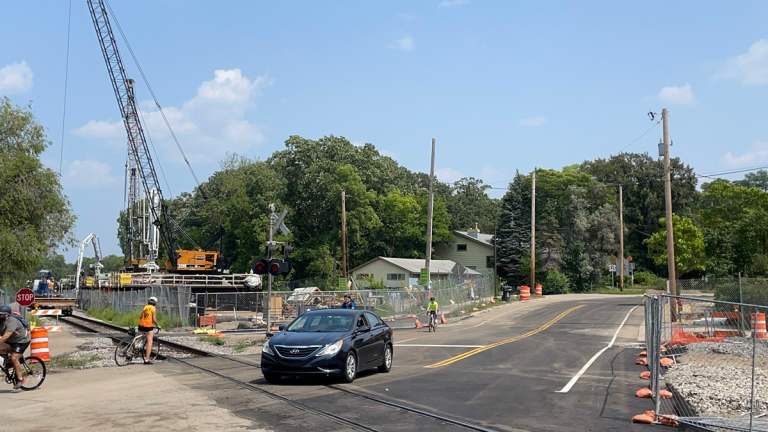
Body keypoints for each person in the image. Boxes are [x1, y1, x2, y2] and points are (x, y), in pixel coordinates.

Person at [0, 305, 31, 390]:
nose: (0, 316)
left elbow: (6, 336)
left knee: (14, 358)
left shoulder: (11, 321)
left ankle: (20, 380)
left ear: (6, 315)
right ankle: (9, 363)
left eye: (1, 314)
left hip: (22, 341)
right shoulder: (1, 321)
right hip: (12, 340)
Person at [138, 297, 159, 364]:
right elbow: (154, 319)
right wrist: (158, 325)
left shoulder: (145, 307)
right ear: (155, 303)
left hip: (141, 325)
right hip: (148, 326)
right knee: (150, 341)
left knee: (138, 338)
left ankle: (134, 350)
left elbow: (140, 316)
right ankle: (147, 359)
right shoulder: (153, 308)